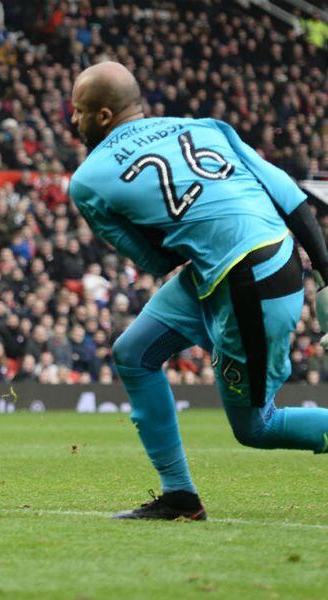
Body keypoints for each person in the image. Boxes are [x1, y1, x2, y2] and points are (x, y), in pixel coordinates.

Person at [69, 61, 328, 521]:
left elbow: (157, 262)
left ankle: (180, 498)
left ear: (103, 115)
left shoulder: (88, 181)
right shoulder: (207, 127)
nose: (73, 120)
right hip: (262, 260)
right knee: (134, 352)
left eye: (78, 110)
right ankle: (180, 498)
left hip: (248, 283)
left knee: (257, 427)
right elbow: (290, 197)